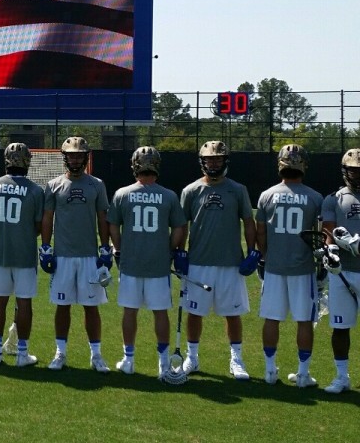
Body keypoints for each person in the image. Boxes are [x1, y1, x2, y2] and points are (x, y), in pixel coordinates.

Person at [180, 140, 259, 380]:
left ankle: (236, 359)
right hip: (198, 263)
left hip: (230, 263)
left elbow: (248, 221)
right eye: (209, 160)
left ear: (225, 161)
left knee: (232, 314)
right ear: (202, 162)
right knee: (194, 313)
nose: (213, 163)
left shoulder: (237, 189)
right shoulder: (191, 190)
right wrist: (179, 251)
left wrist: (253, 252)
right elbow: (182, 225)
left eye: (218, 159)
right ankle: (191, 357)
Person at [107, 146, 187, 379]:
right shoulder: (169, 195)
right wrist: (170, 249)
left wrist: (120, 248)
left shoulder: (123, 193)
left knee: (129, 311)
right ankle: (163, 364)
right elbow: (179, 228)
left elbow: (113, 224)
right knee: (160, 313)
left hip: (131, 262)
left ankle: (129, 359)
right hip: (158, 264)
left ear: (134, 165)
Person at [255, 144, 323, 387]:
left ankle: (270, 371)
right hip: (302, 268)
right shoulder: (315, 197)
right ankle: (303, 374)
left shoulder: (267, 195)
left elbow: (260, 234)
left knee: (272, 319)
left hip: (274, 267)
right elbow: (320, 237)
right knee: (304, 320)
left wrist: (266, 256)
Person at [41, 136, 111, 372]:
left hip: (89, 256)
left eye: (79, 155)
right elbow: (47, 218)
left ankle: (97, 355)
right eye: (71, 155)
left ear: (85, 157)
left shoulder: (96, 184)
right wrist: (45, 247)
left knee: (91, 307)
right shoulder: (53, 185)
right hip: (62, 256)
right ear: (65, 157)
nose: (75, 159)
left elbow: (103, 218)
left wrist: (105, 247)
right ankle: (60, 353)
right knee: (63, 306)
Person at [0, 142, 44, 367]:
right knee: (24, 303)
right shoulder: (36, 190)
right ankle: (21, 354)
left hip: (1, 252)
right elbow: (39, 225)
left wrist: (3, 232)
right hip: (25, 254)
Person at [320, 148, 360, 394]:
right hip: (343, 272)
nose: (356, 175)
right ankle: (341, 376)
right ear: (345, 171)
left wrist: (355, 243)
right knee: (340, 326)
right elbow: (328, 234)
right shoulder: (333, 199)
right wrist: (332, 254)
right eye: (352, 171)